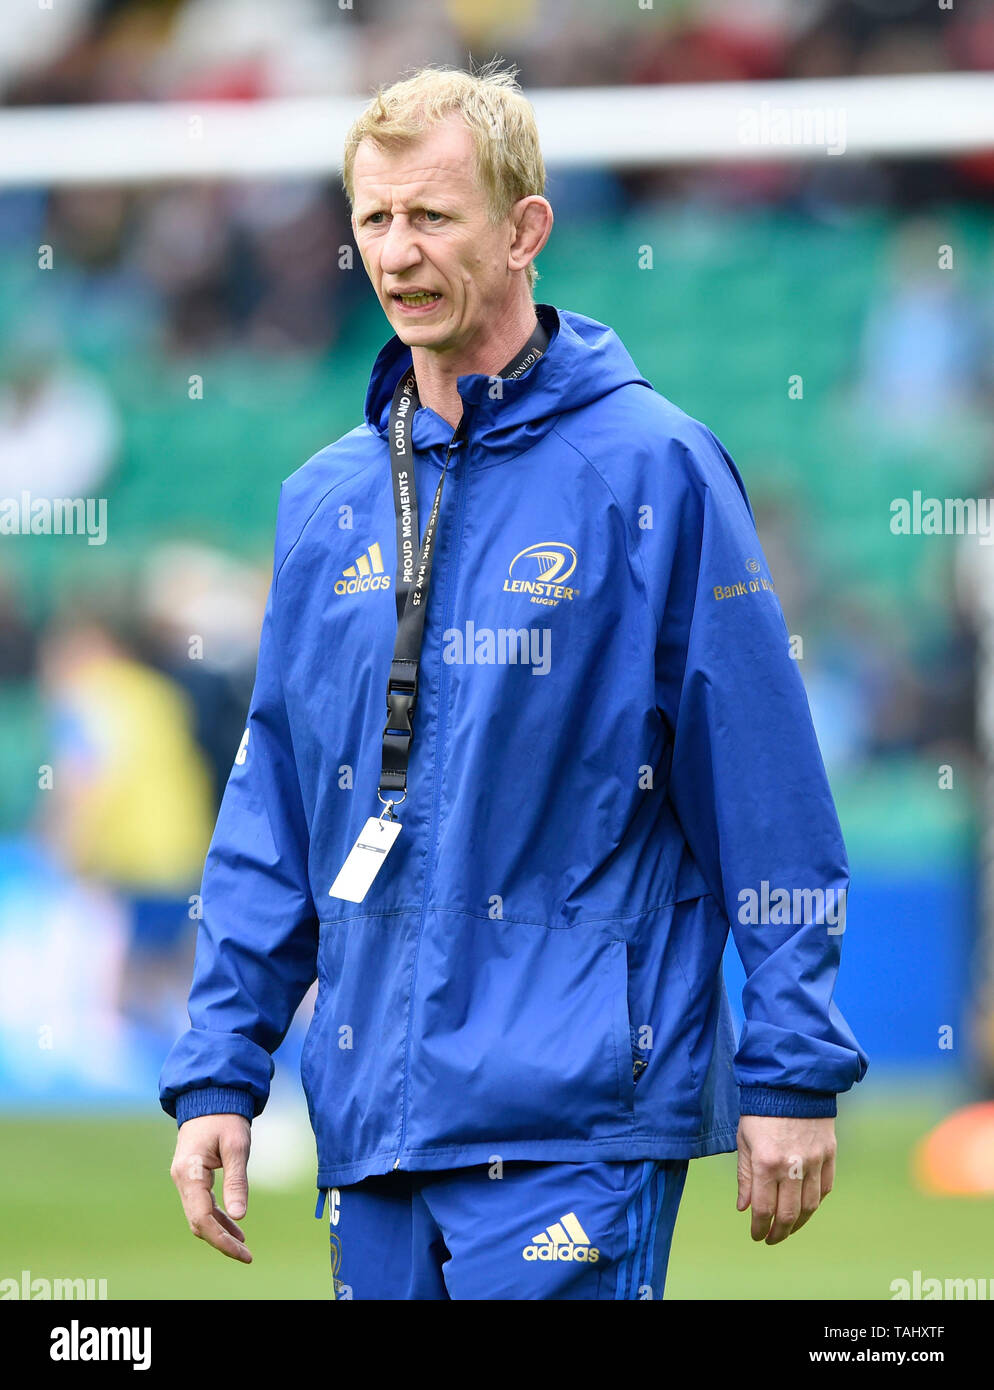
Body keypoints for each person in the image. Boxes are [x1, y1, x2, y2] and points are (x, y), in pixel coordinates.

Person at [160, 62, 868, 1301]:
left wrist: (791, 1067)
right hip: (372, 1122)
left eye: (432, 216)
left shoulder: (655, 468)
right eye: (374, 219)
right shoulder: (323, 501)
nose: (397, 251)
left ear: (525, 228)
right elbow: (273, 801)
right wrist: (222, 1068)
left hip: (574, 1120)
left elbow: (761, 787)